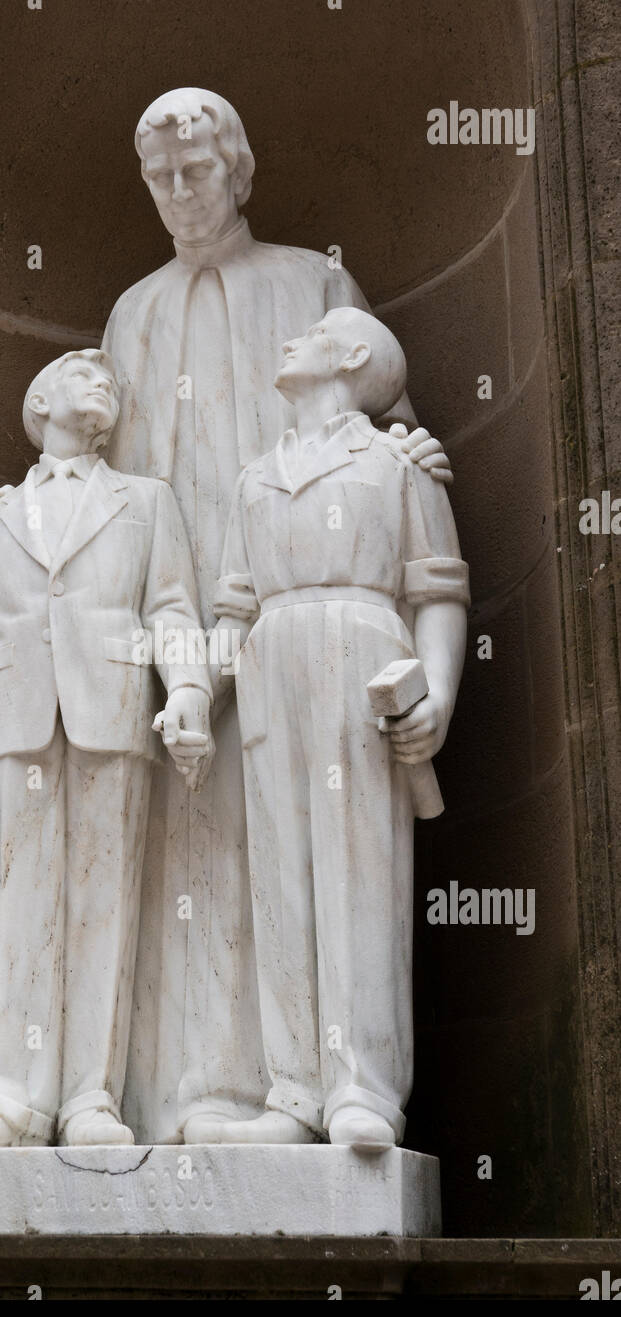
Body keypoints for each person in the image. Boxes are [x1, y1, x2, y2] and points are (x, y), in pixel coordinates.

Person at [0, 90, 456, 1145]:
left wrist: (411, 450)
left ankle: (303, 1086)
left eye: (196, 171)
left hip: (284, 610)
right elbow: (94, 475)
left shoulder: (308, 280)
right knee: (166, 855)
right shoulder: (130, 311)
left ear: (238, 170)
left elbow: (385, 411)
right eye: (160, 178)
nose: (180, 192)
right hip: (166, 627)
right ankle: (157, 1087)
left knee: (290, 846)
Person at [0, 349, 212, 1150]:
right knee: (24, 907)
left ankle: (89, 1096)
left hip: (112, 708)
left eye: (110, 381)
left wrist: (186, 690)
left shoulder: (147, 501)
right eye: (83, 373)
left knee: (102, 904)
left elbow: (173, 609)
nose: (102, 383)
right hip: (20, 719)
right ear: (39, 397)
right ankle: (9, 1096)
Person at [209, 307, 469, 1147]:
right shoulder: (253, 476)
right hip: (271, 660)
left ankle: (363, 1085)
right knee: (280, 877)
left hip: (361, 652)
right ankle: (291, 1088)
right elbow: (232, 607)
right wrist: (188, 690)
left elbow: (437, 591)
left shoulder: (398, 462)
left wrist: (436, 696)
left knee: (360, 872)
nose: (287, 337)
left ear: (351, 354)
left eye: (313, 330)